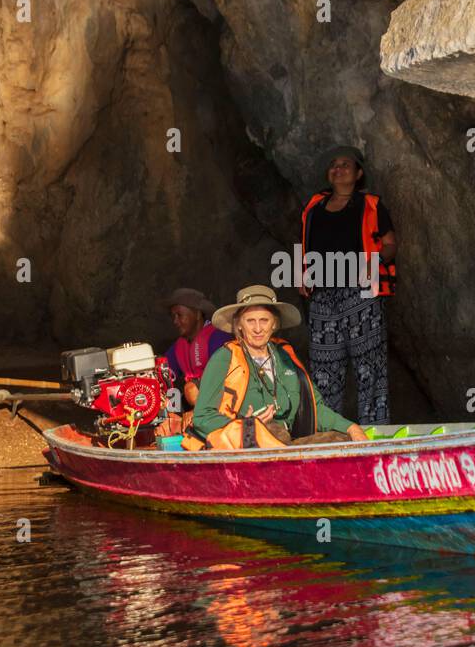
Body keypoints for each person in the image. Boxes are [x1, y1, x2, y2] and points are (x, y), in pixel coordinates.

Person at [182, 285, 367, 449]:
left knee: (341, 440)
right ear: (239, 325)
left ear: (274, 324)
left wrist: (351, 428)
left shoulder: (285, 356)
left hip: (285, 444)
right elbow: (202, 417)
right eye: (250, 321)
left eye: (264, 320)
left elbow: (316, 408)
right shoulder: (224, 358)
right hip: (247, 445)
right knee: (272, 433)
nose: (257, 328)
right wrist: (245, 425)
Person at [298, 145, 397, 425]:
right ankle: (329, 432)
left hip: (361, 294)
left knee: (370, 369)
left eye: (345, 164)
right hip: (322, 299)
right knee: (324, 372)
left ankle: (375, 434)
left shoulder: (371, 206)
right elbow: (307, 249)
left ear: (358, 174)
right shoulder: (314, 208)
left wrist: (372, 262)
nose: (338, 168)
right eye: (333, 164)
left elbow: (390, 244)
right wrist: (303, 274)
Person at [159, 288, 232, 408]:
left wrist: (196, 414)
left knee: (190, 388)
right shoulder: (179, 346)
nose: (175, 321)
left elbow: (224, 383)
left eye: (179, 315)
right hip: (195, 405)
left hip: (223, 405)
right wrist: (172, 412)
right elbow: (163, 376)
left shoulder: (219, 338)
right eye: (173, 316)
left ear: (197, 314)